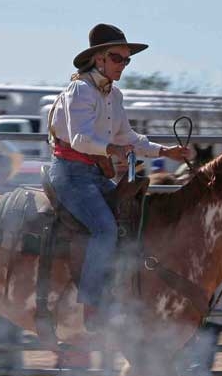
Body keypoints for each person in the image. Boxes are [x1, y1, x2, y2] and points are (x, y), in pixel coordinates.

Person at [47, 23, 189, 329]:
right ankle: (92, 302)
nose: (122, 64)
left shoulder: (114, 95)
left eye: (127, 60)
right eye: (117, 58)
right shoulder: (80, 90)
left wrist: (165, 152)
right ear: (99, 59)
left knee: (133, 224)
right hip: (71, 174)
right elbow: (79, 139)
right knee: (105, 230)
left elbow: (130, 138)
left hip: (94, 175)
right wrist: (113, 148)